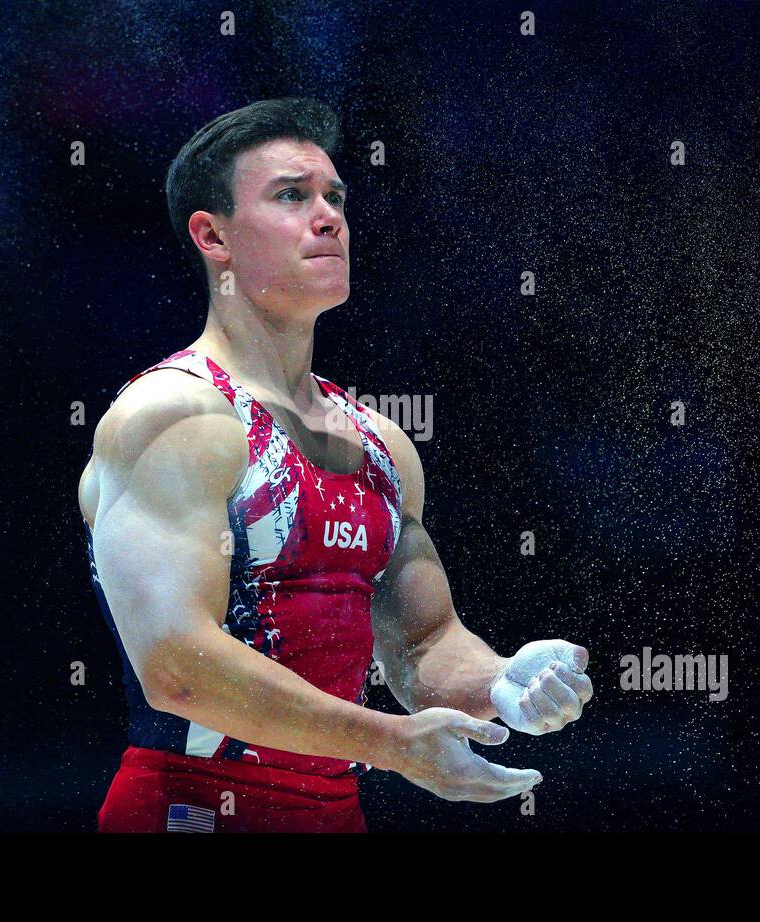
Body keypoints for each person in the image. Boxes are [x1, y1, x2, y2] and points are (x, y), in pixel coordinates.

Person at [77, 98, 593, 833]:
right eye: (291, 196)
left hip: (333, 811)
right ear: (212, 235)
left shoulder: (381, 446)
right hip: (190, 809)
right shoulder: (175, 418)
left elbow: (423, 642)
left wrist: (503, 683)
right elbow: (179, 670)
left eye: (335, 198)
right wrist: (392, 746)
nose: (328, 218)